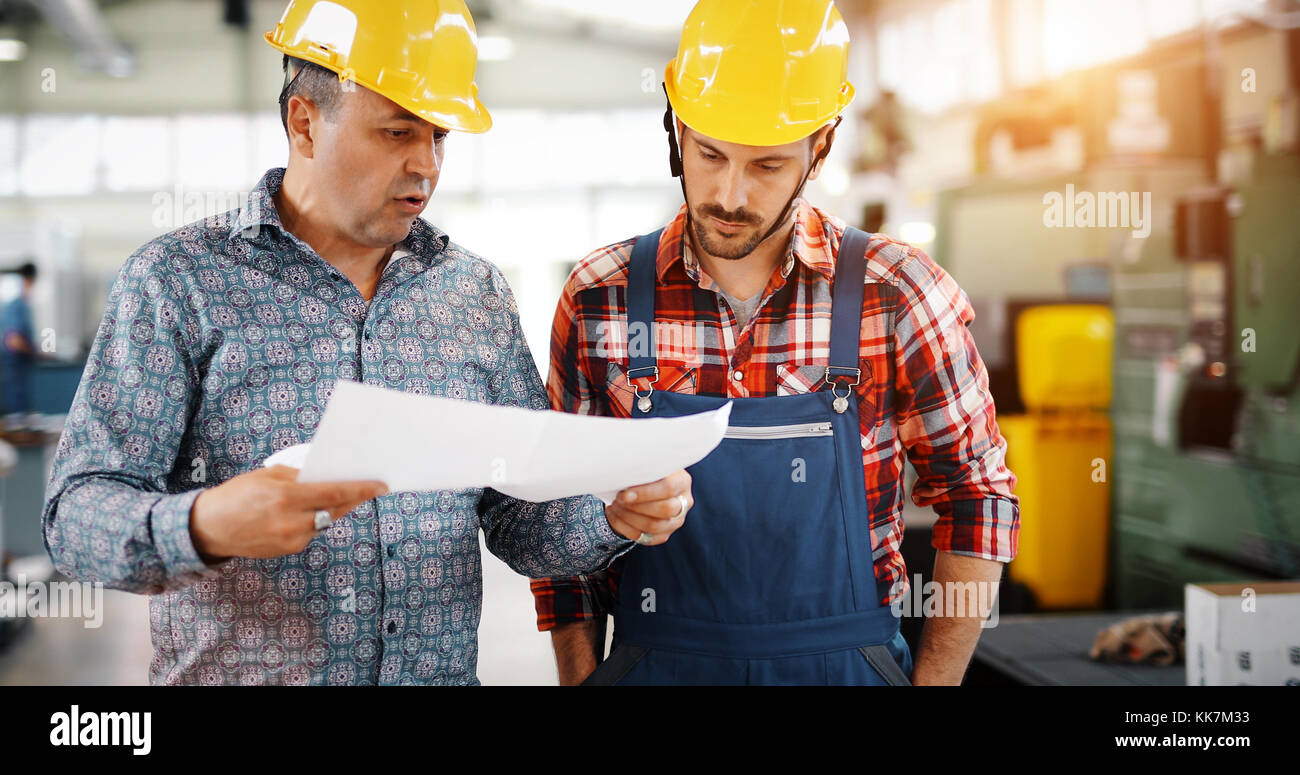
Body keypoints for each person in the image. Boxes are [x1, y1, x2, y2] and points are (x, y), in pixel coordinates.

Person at [42, 0, 692, 686]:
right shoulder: (177, 283)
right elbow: (75, 517)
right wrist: (203, 523)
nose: (425, 164)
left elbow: (518, 517)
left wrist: (609, 514)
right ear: (305, 123)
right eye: (395, 132)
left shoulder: (472, 294)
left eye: (438, 135)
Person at [530, 0, 1019, 686]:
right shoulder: (598, 298)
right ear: (673, 123)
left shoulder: (900, 293)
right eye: (708, 154)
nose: (730, 194)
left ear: (821, 145)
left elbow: (977, 495)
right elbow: (559, 512)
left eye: (766, 165)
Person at [1, 262, 40, 429]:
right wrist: (35, 352)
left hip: (18, 370)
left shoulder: (20, 305)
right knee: (17, 420)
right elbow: (13, 340)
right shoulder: (16, 305)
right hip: (12, 370)